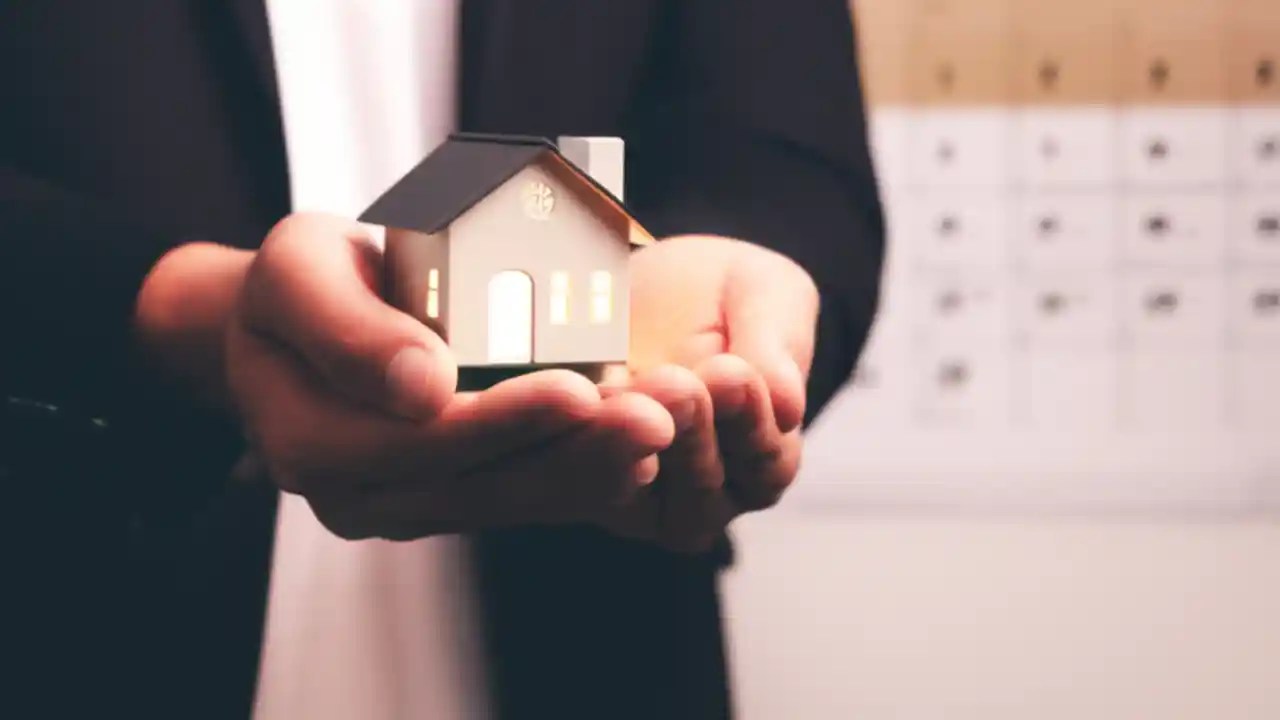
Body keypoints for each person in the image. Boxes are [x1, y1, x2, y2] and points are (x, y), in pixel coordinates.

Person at [1, 1, 884, 718]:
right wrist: (170, 309)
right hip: (75, 626)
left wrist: (746, 296)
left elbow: (788, 152)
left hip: (594, 652)